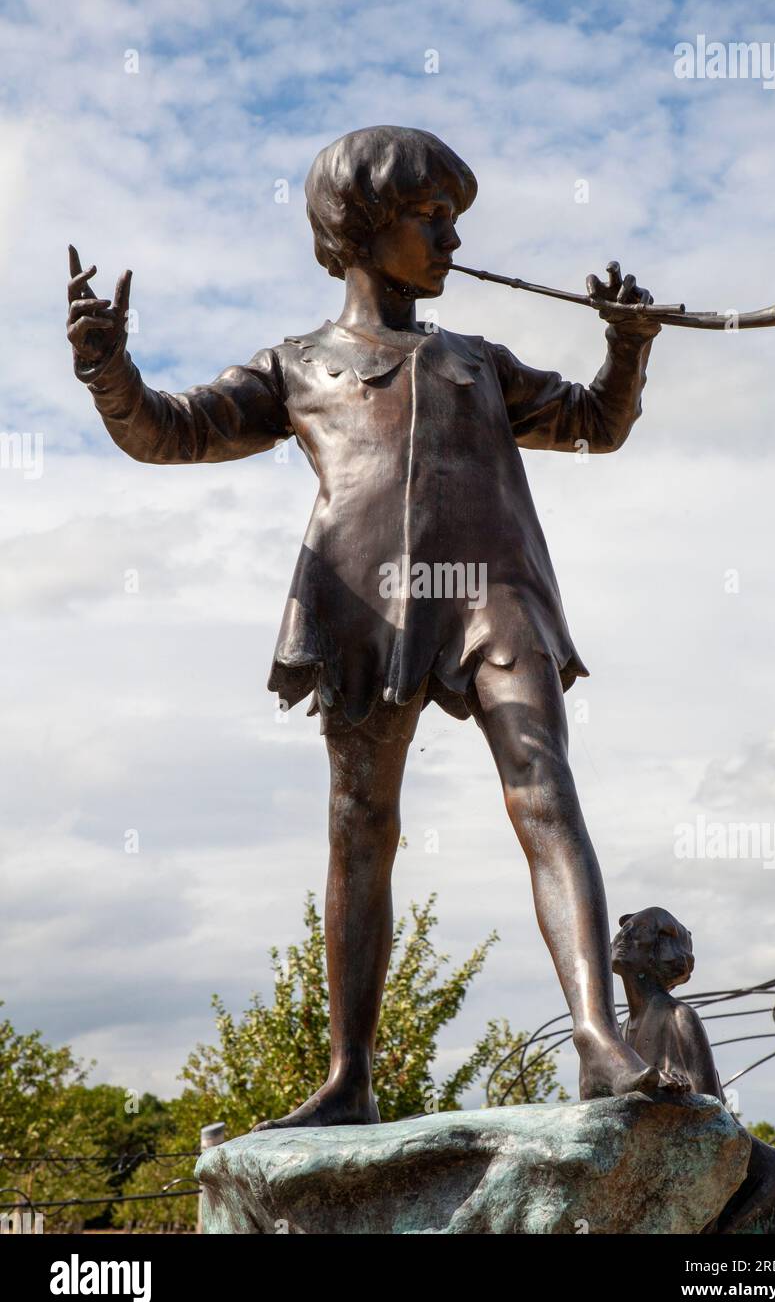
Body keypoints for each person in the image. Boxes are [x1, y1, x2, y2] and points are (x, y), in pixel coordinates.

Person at [67, 125, 673, 1127]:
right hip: (358, 597)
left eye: (454, 220)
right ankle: (349, 1078)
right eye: (429, 218)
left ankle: (596, 1041)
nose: (449, 241)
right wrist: (107, 372)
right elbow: (169, 432)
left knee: (543, 787)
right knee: (360, 830)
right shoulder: (295, 364)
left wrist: (627, 345)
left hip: (492, 588)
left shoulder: (477, 362)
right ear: (357, 225)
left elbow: (594, 425)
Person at [612, 907, 775, 1233]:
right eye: (624, 930)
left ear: (661, 952)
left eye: (636, 931)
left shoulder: (679, 1018)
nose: (623, 936)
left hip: (769, 1195)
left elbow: (715, 1122)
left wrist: (666, 1094)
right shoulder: (617, 1032)